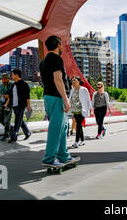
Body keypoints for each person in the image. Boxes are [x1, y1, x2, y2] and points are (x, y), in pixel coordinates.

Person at [40, 35, 76, 167]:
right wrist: (66, 100)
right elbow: (58, 80)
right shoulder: (56, 59)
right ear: (58, 45)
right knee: (56, 128)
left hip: (49, 97)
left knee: (63, 126)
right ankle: (49, 158)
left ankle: (63, 155)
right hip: (56, 97)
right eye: (61, 45)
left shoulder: (43, 61)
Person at [6, 69, 32, 143]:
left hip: (21, 105)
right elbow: (10, 96)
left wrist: (28, 105)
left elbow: (27, 96)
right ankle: (27, 132)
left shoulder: (24, 84)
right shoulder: (13, 85)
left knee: (17, 120)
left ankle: (14, 136)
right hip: (14, 105)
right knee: (20, 120)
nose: (11, 76)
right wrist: (6, 104)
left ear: (16, 75)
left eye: (12, 74)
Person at [69, 76, 91, 148]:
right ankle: (83, 140)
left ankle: (76, 142)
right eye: (72, 81)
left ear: (79, 81)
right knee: (79, 125)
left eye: (74, 80)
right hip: (75, 110)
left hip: (82, 110)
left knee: (78, 124)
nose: (73, 82)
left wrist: (90, 109)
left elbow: (88, 99)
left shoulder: (84, 90)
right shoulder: (72, 90)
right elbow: (70, 99)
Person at [0, 73, 12, 141]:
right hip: (2, 104)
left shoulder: (11, 85)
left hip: (9, 105)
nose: (3, 80)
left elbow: (13, 95)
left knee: (7, 120)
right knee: (0, 118)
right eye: (2, 79)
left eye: (5, 79)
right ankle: (11, 129)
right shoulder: (1, 85)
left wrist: (8, 97)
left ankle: (6, 135)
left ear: (8, 79)